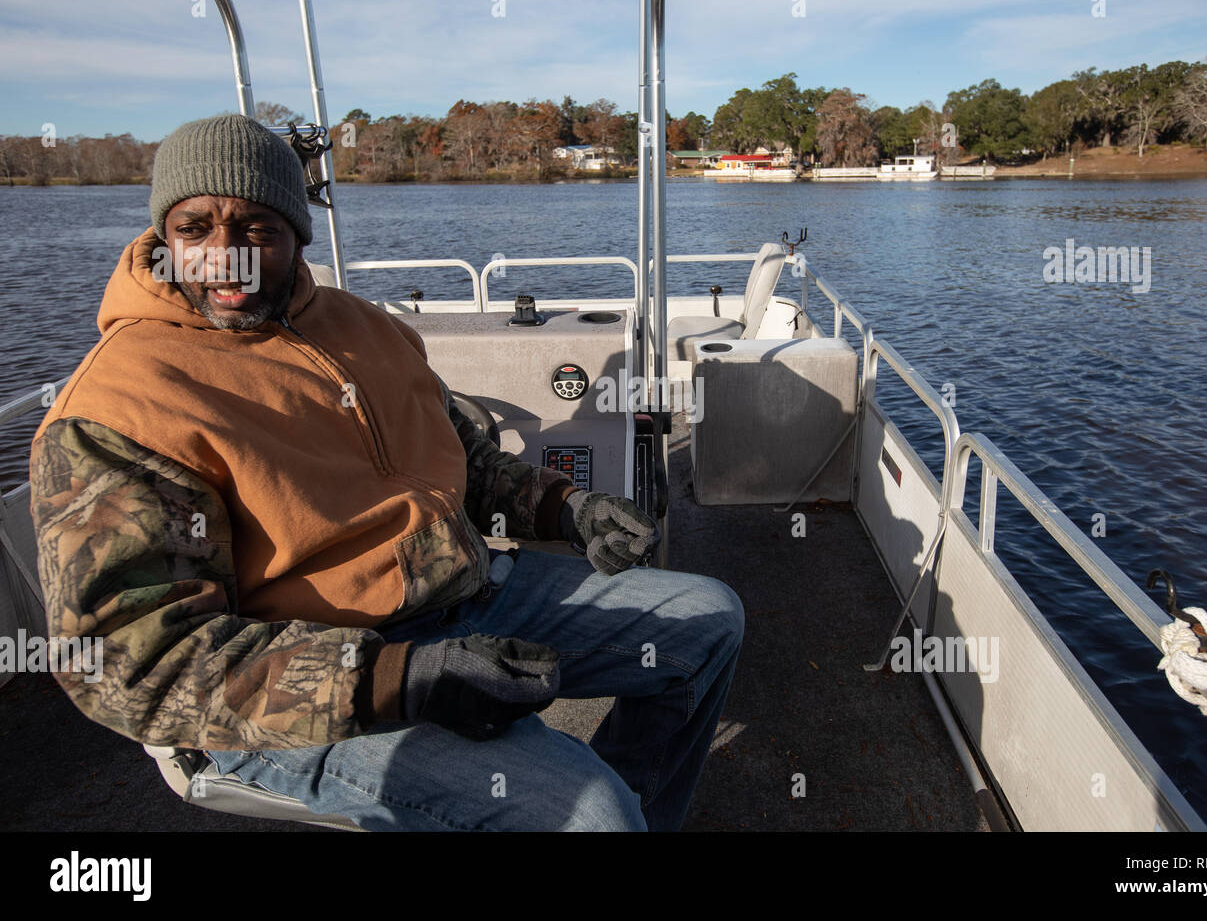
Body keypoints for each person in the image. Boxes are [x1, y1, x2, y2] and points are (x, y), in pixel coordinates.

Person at [28, 113, 744, 831]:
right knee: (588, 814)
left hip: (465, 597)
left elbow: (467, 461)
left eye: (257, 229)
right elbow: (128, 662)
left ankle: (637, 813)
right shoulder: (121, 406)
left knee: (706, 623)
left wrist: (569, 510)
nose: (227, 258)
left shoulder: (366, 328)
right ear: (164, 234)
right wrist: (397, 680)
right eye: (195, 228)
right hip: (300, 684)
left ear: (296, 236)